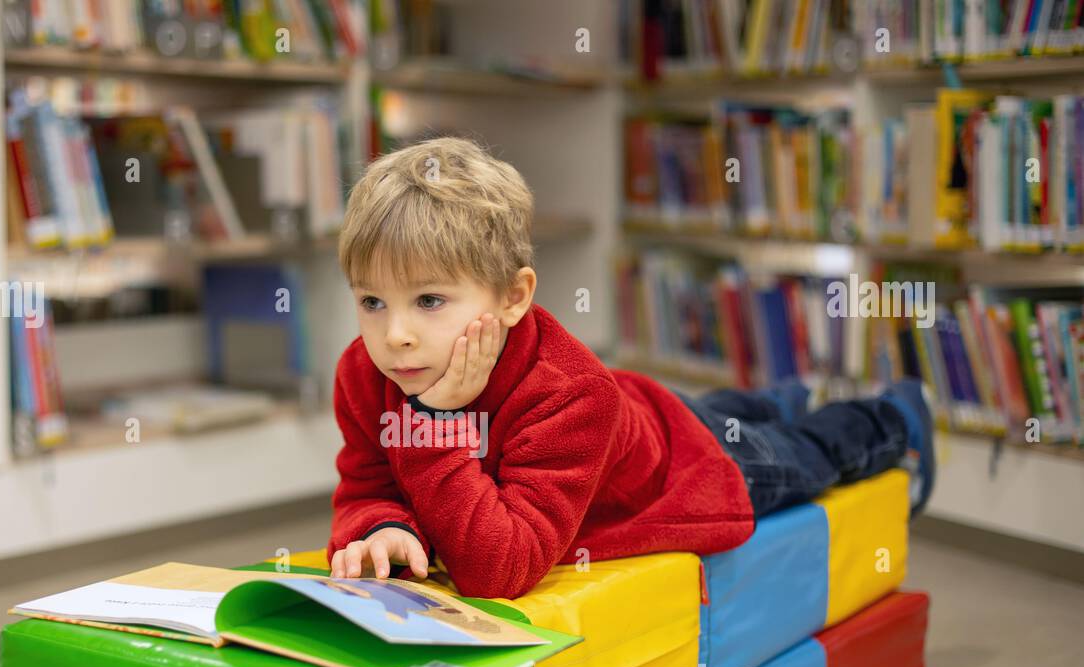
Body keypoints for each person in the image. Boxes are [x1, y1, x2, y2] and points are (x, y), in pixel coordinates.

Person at [326, 136, 934, 599]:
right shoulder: (365, 372)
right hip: (633, 415)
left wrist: (432, 421)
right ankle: (776, 397)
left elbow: (497, 571)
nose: (395, 335)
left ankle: (894, 415)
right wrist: (382, 525)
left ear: (513, 298)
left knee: (804, 452)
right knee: (723, 410)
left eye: (429, 301)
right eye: (372, 301)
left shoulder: (571, 395)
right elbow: (367, 485)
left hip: (684, 467)